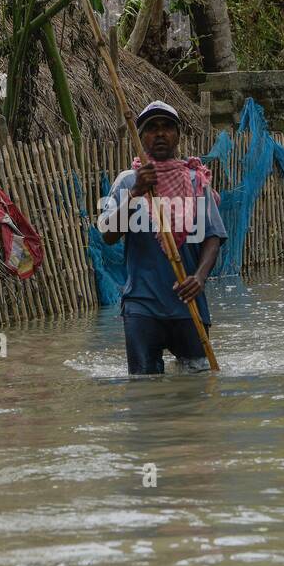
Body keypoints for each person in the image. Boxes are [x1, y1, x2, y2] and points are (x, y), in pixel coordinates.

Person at [98, 101, 226, 375]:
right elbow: (108, 235)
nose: (160, 134)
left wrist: (200, 277)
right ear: (141, 136)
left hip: (188, 302)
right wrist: (137, 192)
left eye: (167, 127)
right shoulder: (127, 181)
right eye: (152, 128)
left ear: (178, 135)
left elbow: (213, 237)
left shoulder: (196, 181)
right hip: (142, 305)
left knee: (197, 383)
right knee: (144, 391)